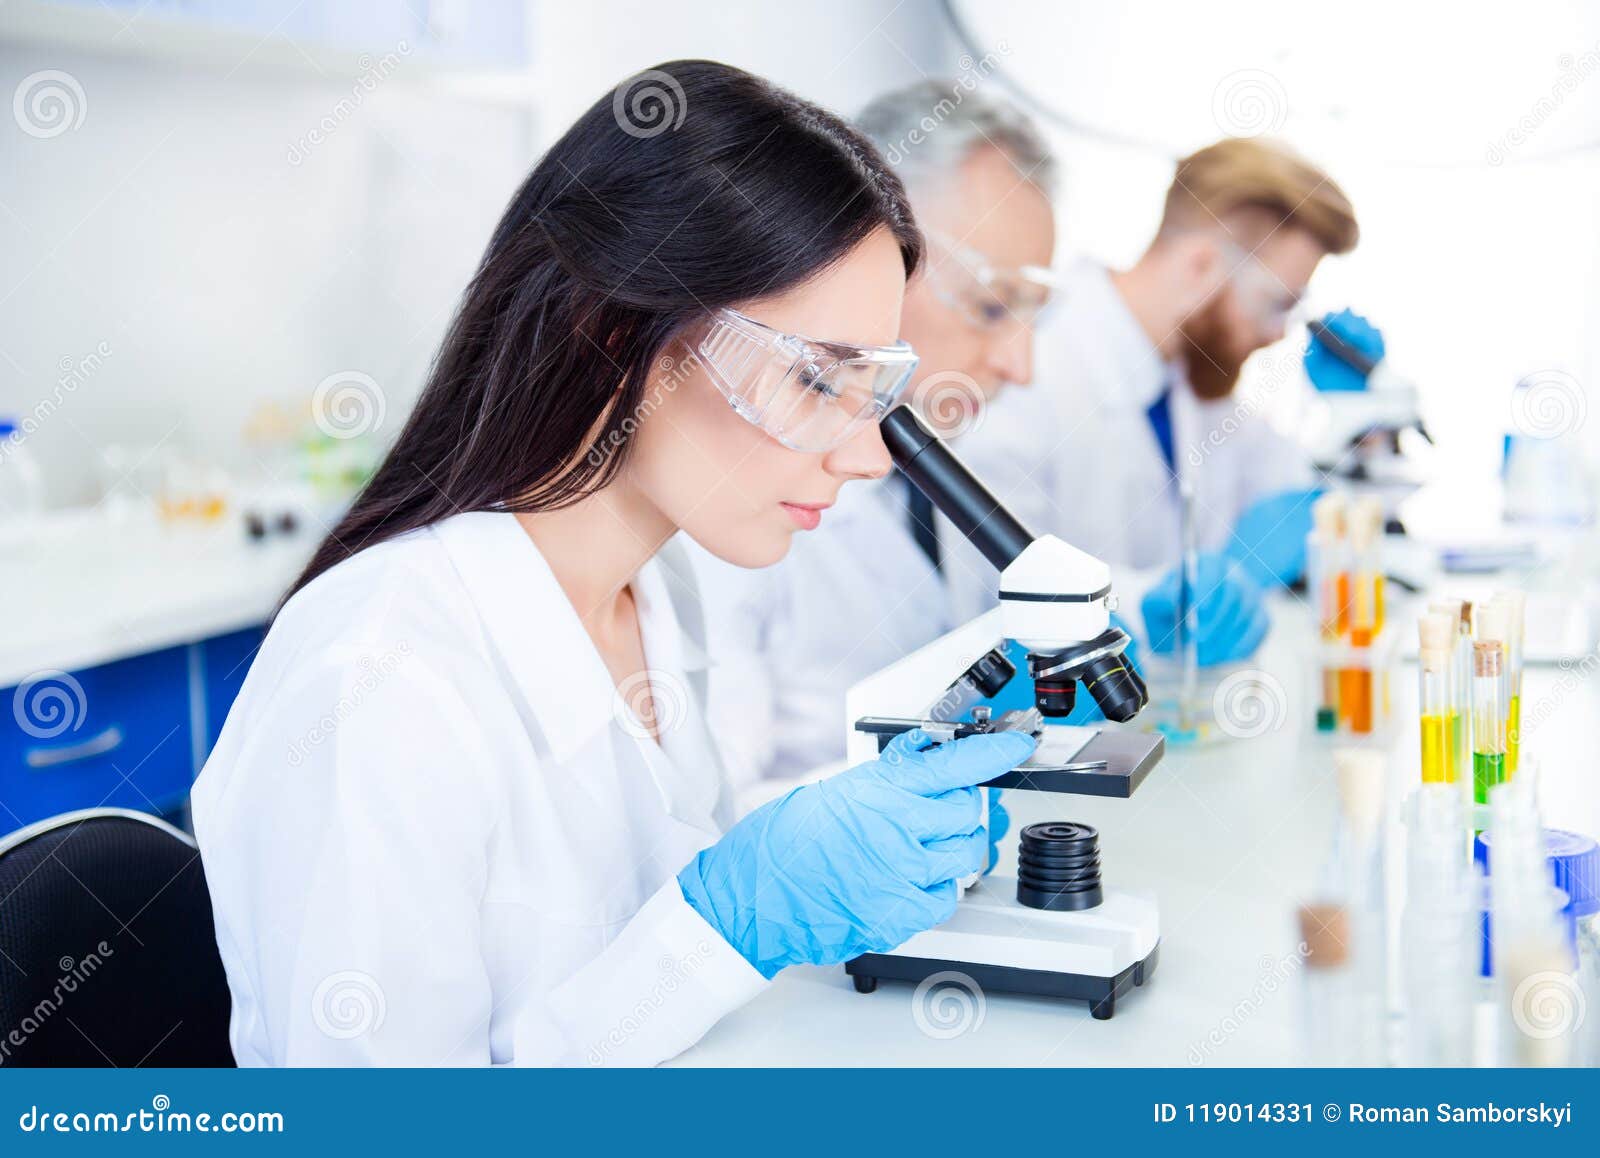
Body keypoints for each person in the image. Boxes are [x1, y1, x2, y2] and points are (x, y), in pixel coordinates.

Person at [191, 61, 1035, 1068]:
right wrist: (727, 924)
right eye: (817, 380)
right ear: (613, 337)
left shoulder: (652, 595)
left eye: (872, 393)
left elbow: (638, 945)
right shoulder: (381, 683)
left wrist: (849, 841)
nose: (865, 457)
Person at [688, 82, 1059, 800]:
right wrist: (880, 802)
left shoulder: (952, 448)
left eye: (1030, 316)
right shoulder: (726, 491)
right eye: (991, 306)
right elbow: (699, 821)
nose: (1022, 365)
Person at [953, 136, 1360, 667]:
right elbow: (990, 588)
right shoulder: (1029, 365)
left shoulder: (1193, 377)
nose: (1279, 333)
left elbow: (1292, 498)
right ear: (1200, 266)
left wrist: (1356, 417)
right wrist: (1147, 603)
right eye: (1276, 304)